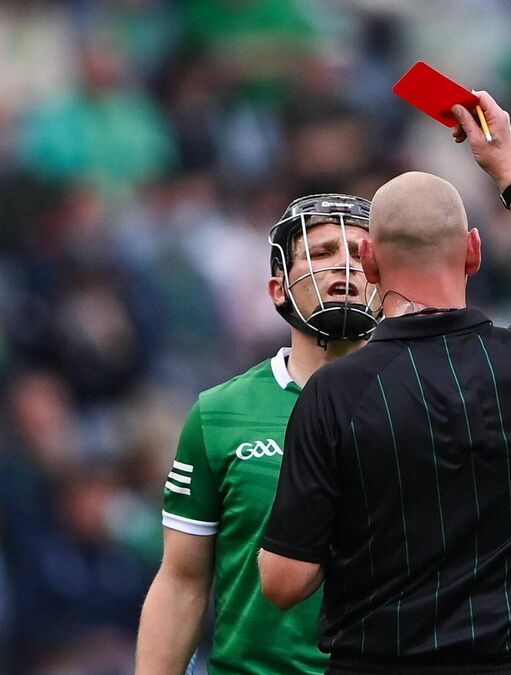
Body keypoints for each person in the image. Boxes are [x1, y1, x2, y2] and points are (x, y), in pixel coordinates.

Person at [257, 92, 511, 675]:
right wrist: (509, 172)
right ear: (473, 252)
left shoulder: (334, 394)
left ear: (368, 262)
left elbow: (284, 581)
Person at [135, 193, 382, 674]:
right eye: (323, 252)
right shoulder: (220, 413)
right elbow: (182, 579)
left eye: (359, 252)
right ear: (277, 289)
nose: (344, 267)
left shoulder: (423, 402)